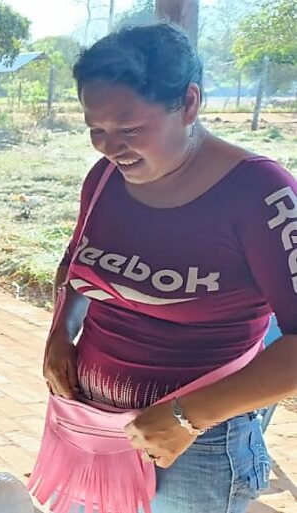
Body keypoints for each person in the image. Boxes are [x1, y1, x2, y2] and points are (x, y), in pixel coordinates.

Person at [41, 24, 296, 512]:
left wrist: (186, 418)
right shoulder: (104, 180)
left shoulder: (261, 194)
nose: (109, 148)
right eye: (96, 130)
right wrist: (60, 334)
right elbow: (76, 264)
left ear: (190, 104)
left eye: (130, 130)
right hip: (94, 427)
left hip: (196, 447)